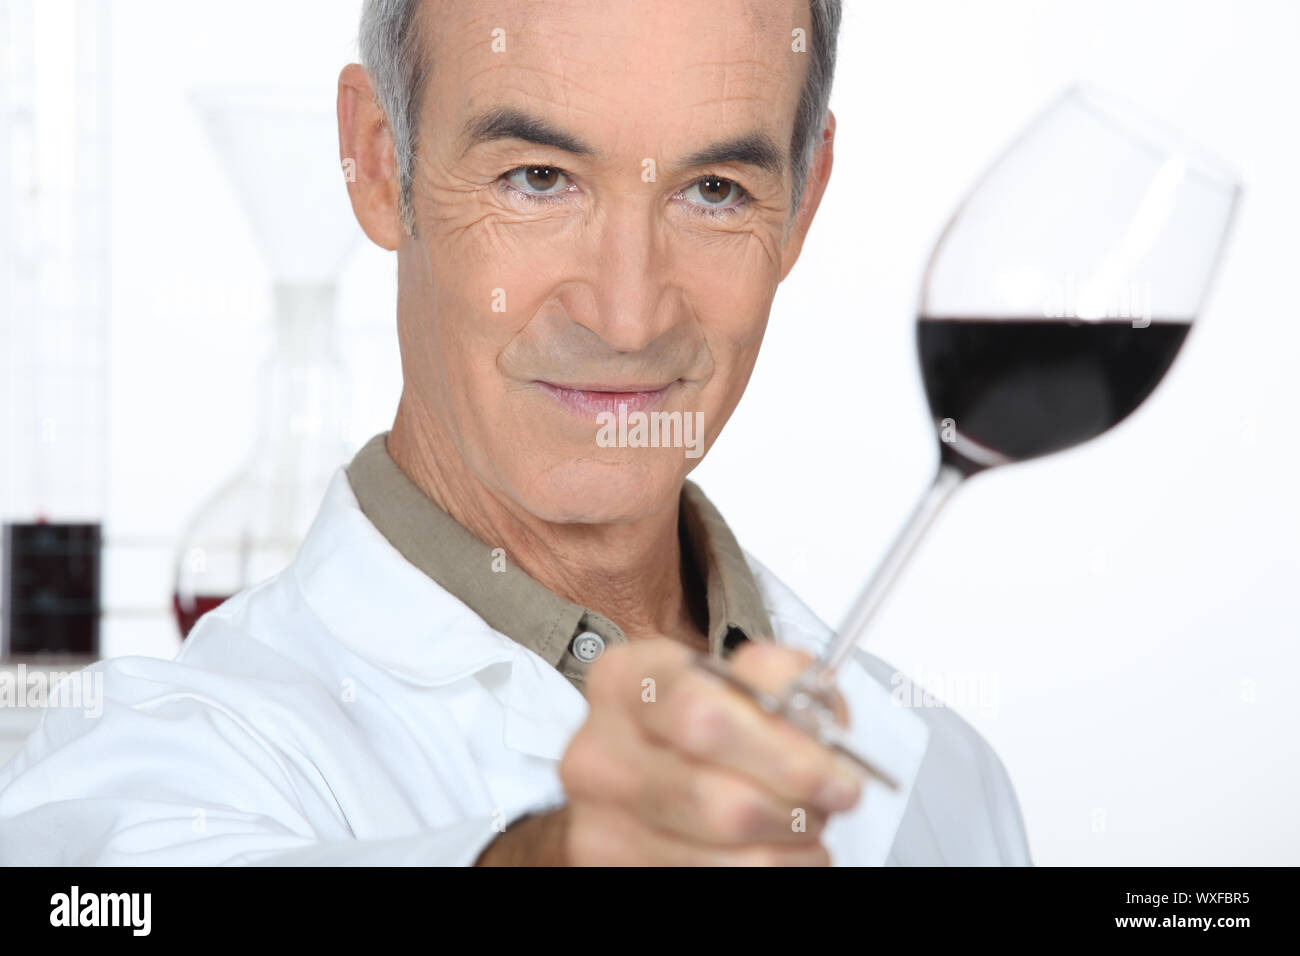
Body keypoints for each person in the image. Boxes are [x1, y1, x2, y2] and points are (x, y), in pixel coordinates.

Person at [0, 0, 1030, 866]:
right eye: (537, 177)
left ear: (802, 199)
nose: (626, 315)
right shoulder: (145, 764)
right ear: (375, 160)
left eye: (713, 190)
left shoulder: (941, 773)